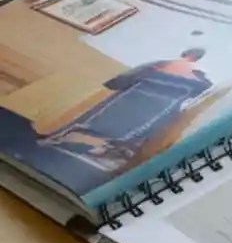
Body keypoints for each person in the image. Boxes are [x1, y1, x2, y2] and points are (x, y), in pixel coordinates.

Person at [40, 48, 214, 169]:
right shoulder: (196, 77)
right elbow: (202, 91)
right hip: (152, 107)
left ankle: (69, 141)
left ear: (187, 54)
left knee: (99, 119)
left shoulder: (162, 64)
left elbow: (122, 80)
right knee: (129, 126)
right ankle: (99, 147)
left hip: (137, 101)